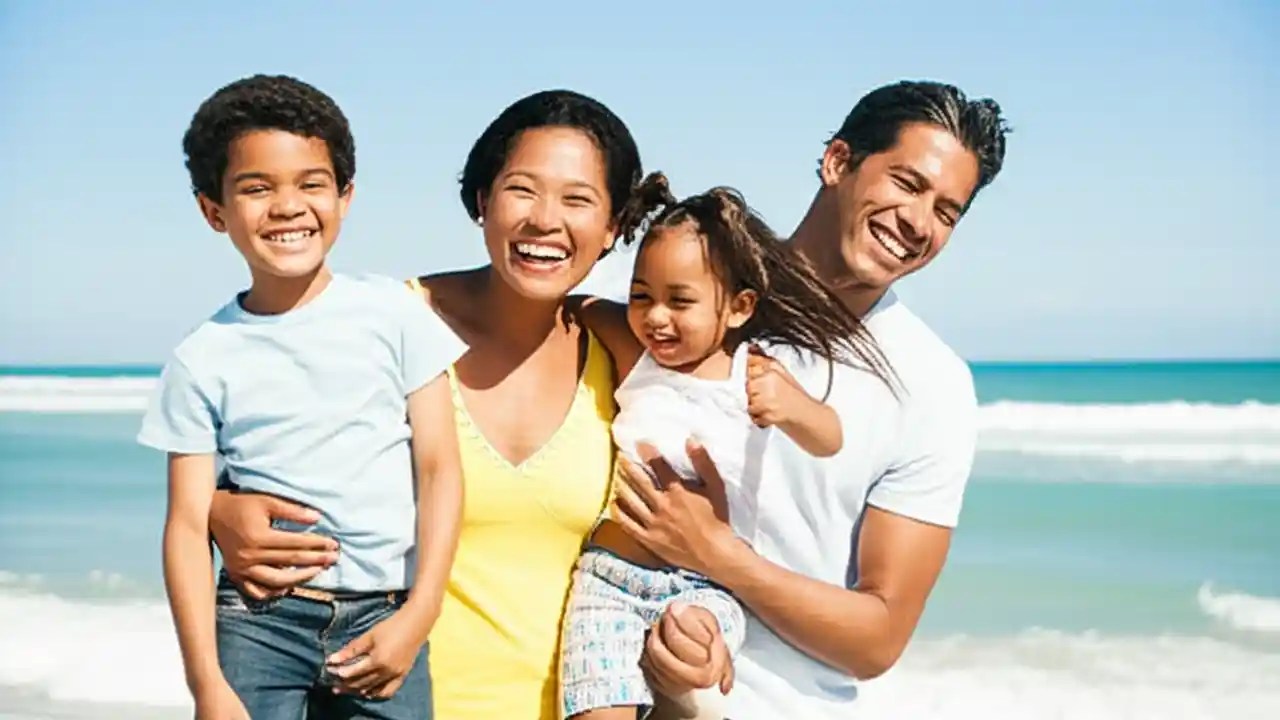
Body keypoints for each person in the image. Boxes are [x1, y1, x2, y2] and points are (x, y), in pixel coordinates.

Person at [207, 88, 652, 719]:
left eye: (577, 200)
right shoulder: (387, 322)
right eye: (522, 190)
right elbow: (253, 449)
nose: (545, 220)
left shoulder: (624, 353)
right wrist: (217, 509)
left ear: (612, 227)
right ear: (483, 201)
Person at [611, 80, 1010, 720]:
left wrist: (717, 555)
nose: (918, 222)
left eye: (946, 212)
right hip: (606, 686)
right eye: (906, 183)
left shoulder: (932, 384)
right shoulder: (692, 295)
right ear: (837, 161)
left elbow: (879, 637)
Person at [137, 75, 466, 720]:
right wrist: (206, 684)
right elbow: (186, 526)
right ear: (213, 211)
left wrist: (421, 612)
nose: (287, 206)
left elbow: (440, 470)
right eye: (256, 188)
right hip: (258, 621)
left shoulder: (396, 314)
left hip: (384, 615)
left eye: (311, 184)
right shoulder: (201, 357)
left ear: (345, 196)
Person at [559, 173, 894, 720]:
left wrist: (793, 407)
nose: (655, 316)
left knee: (697, 656)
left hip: (704, 588)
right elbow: (571, 304)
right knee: (596, 709)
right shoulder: (632, 349)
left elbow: (830, 437)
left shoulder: (753, 373)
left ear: (738, 307)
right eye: (641, 295)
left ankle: (703, 678)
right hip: (611, 578)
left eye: (680, 301)